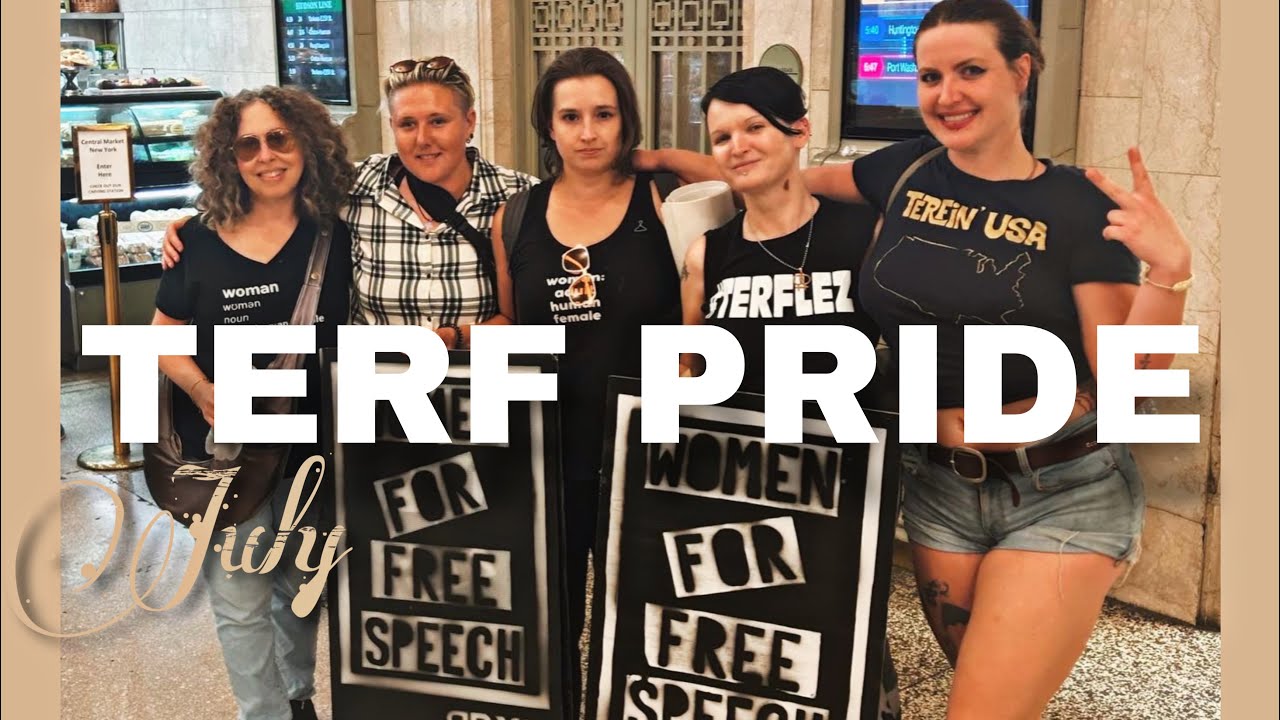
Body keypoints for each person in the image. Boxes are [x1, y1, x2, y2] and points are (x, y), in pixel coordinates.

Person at [794, 0, 1193, 716]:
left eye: (970, 71)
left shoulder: (1075, 204)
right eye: (929, 76)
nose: (946, 95)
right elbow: (784, 184)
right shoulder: (902, 171)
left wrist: (1168, 274)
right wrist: (662, 164)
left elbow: (1129, 383)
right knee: (989, 687)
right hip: (937, 486)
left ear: (1021, 72)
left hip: (1061, 485)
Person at [677, 66, 899, 720]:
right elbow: (688, 373)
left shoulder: (863, 235)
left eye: (755, 128)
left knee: (850, 648)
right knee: (751, 655)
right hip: (739, 488)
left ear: (798, 132)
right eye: (721, 136)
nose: (737, 146)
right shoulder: (706, 255)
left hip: (838, 487)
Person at [487, 46, 683, 711]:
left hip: (649, 458)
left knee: (645, 623)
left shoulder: (665, 201)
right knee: (555, 620)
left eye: (604, 113)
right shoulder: (513, 217)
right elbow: (508, 319)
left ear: (627, 120)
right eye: (570, 116)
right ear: (548, 125)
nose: (589, 131)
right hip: (553, 460)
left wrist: (665, 159)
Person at [152, 85, 356, 720]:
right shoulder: (199, 241)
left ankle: (297, 696)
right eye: (248, 144)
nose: (266, 155)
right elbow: (162, 339)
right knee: (239, 596)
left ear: (306, 144)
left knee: (300, 585)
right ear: (228, 158)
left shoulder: (340, 236)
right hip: (229, 451)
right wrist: (202, 390)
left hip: (317, 451)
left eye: (279, 138)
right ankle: (261, 712)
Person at [163, 56, 537, 348]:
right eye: (407, 124)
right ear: (392, 127)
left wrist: (453, 339)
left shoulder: (521, 199)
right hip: (374, 406)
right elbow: (275, 184)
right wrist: (195, 228)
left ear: (469, 122)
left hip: (484, 396)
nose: (422, 139)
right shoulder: (357, 187)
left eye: (438, 121)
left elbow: (535, 314)